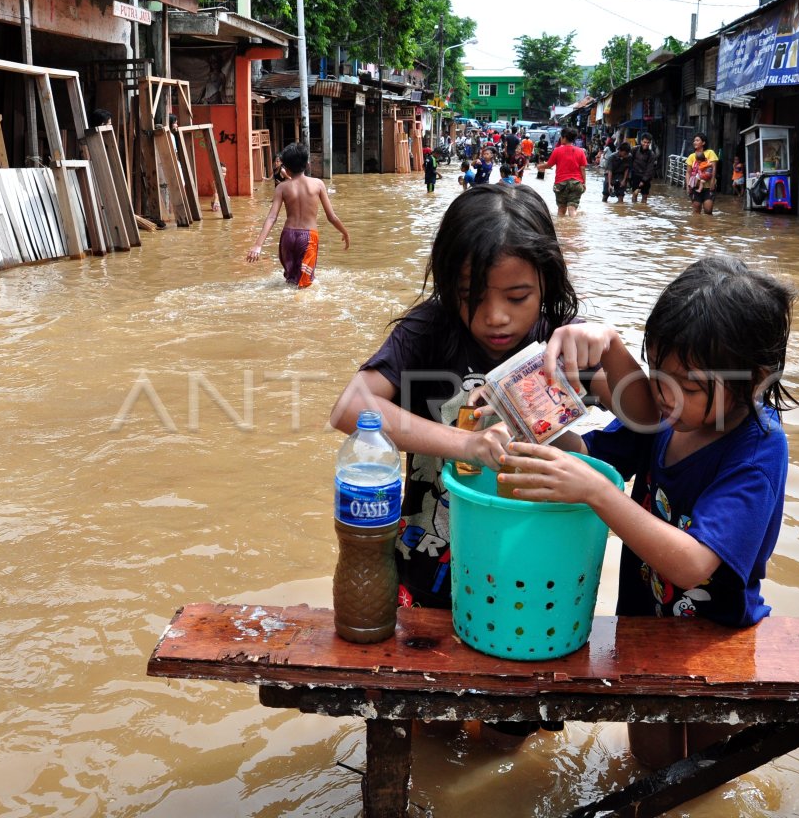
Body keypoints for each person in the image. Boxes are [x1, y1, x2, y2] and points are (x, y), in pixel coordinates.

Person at [328, 185, 640, 744]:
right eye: (472, 296)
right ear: (449, 284)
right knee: (427, 713)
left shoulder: (561, 344)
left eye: (518, 297)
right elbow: (350, 409)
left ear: (547, 282)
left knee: (511, 733)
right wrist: (465, 444)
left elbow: (649, 418)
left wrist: (612, 343)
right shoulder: (429, 331)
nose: (496, 317)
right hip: (427, 559)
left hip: (527, 568)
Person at [500, 255, 798, 770]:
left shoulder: (758, 449)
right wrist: (535, 420)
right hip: (643, 631)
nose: (664, 394)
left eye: (690, 385)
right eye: (658, 373)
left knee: (708, 774)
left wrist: (597, 493)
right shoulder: (665, 418)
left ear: (754, 381)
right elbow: (593, 461)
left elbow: (694, 563)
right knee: (649, 764)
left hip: (716, 643)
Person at [246, 142, 350, 288]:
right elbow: (331, 216)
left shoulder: (282, 187)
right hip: (308, 237)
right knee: (304, 285)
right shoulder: (318, 184)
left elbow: (272, 217)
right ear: (307, 164)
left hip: (287, 237)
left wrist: (258, 245)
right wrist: (345, 232)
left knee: (290, 281)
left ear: (286, 168)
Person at [537, 127, 588, 217]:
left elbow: (549, 165)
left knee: (561, 209)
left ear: (564, 138)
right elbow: (583, 169)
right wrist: (584, 183)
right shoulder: (580, 151)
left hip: (561, 183)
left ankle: (561, 226)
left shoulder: (557, 150)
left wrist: (540, 166)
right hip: (576, 183)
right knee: (572, 209)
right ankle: (573, 224)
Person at [684, 133, 718, 215]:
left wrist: (712, 181)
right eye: (694, 141)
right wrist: (688, 186)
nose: (694, 142)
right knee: (696, 211)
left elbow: (714, 168)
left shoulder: (710, 153)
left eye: (697, 140)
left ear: (703, 143)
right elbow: (688, 173)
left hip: (708, 187)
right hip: (695, 187)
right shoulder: (691, 156)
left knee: (708, 210)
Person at [628, 132, 659, 204]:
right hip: (635, 175)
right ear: (641, 141)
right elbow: (629, 162)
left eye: (648, 143)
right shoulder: (634, 150)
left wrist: (643, 180)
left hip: (646, 177)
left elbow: (650, 169)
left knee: (644, 196)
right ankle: (634, 208)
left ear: (650, 143)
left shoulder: (651, 154)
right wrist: (629, 177)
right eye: (644, 142)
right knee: (634, 194)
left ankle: (643, 208)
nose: (646, 144)